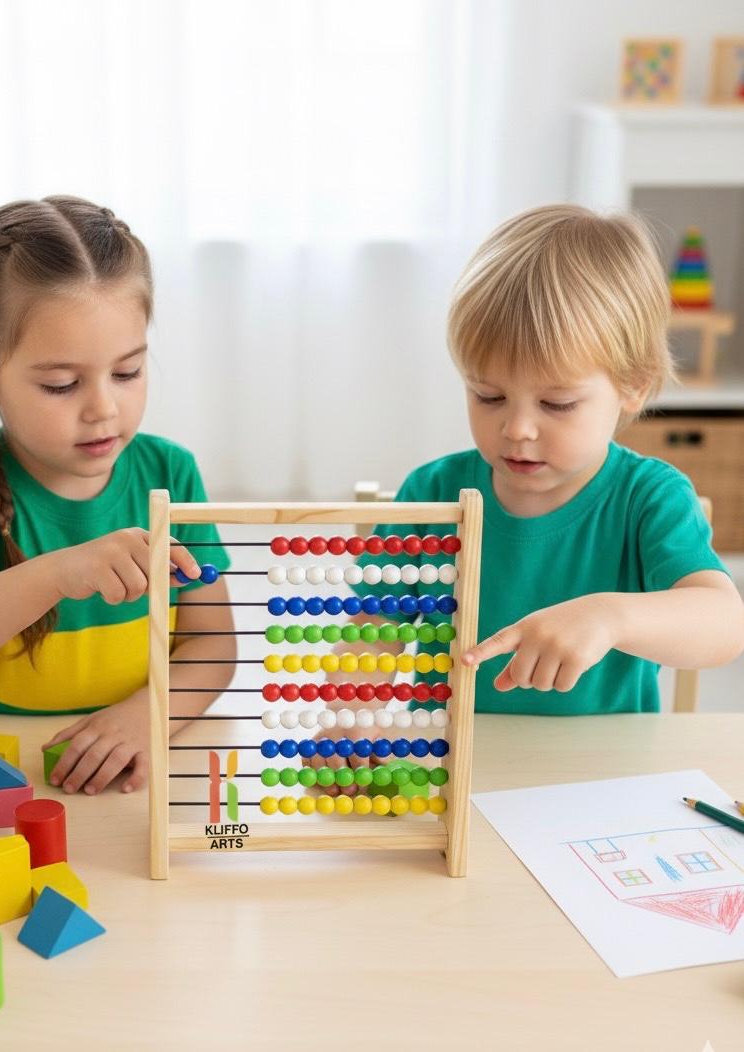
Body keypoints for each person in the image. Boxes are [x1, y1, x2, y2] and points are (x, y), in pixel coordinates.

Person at [316, 205, 744, 787]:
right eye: (488, 397)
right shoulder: (434, 494)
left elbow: (723, 623)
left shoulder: (650, 497)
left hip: (600, 776)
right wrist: (352, 714)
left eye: (557, 404)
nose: (517, 429)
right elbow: (373, 626)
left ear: (632, 388)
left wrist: (612, 615)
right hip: (453, 766)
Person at [0, 196, 235, 794]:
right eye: (62, 384)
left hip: (127, 779)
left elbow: (213, 642)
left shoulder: (170, 472)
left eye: (127, 373)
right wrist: (57, 573)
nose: (104, 408)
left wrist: (150, 715)